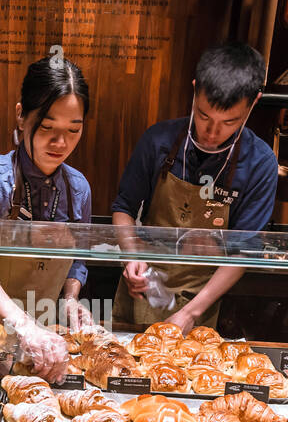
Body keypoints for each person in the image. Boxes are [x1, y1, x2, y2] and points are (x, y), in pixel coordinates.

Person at [111, 42, 278, 332]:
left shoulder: (260, 163)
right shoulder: (157, 141)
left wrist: (190, 313)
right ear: (194, 90)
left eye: (229, 122)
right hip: (142, 289)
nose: (212, 132)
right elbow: (123, 208)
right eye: (203, 116)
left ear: (254, 103)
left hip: (201, 300)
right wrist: (131, 257)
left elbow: (243, 252)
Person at [0, 55, 93, 382]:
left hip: (45, 341)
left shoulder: (78, 189)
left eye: (74, 130)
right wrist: (23, 325)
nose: (61, 143)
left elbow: (77, 260)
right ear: (21, 116)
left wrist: (71, 299)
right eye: (47, 128)